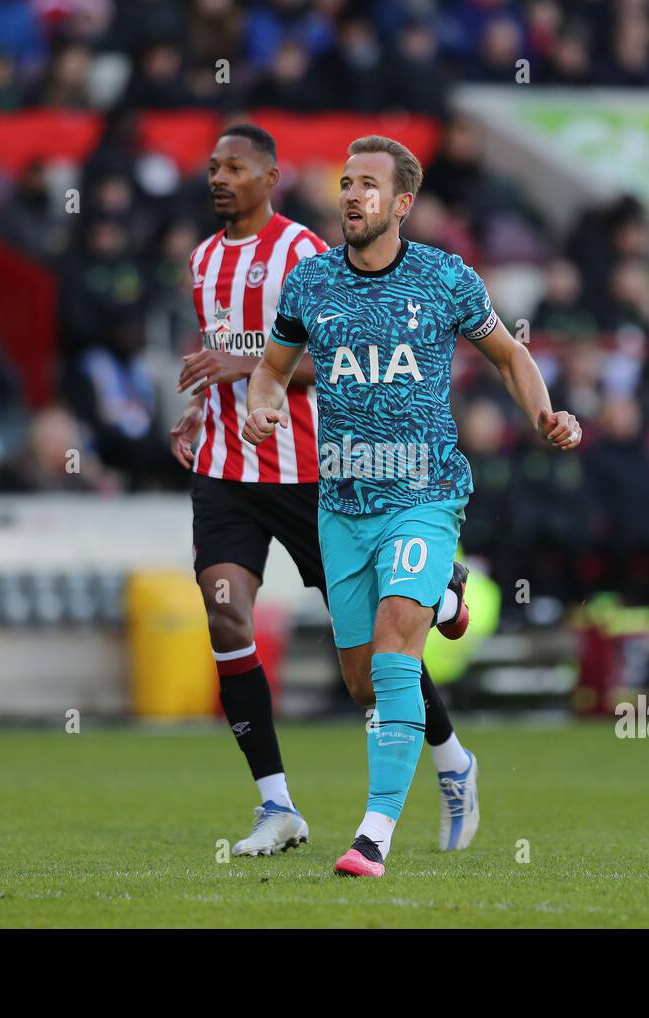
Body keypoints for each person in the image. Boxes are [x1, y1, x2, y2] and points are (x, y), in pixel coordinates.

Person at [243, 135, 581, 877]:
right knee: (363, 680)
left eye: (368, 184)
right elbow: (271, 371)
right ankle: (455, 755)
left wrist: (544, 414)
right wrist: (259, 407)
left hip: (425, 496)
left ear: (402, 203)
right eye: (345, 182)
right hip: (343, 505)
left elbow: (509, 355)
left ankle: (373, 835)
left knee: (398, 654)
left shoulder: (444, 279)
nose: (352, 195)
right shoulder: (310, 284)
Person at [168, 125, 474, 860]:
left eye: (233, 167)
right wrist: (204, 404)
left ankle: (449, 753)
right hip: (226, 468)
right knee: (226, 619)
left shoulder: (307, 255)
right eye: (212, 168)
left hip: (315, 471)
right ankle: (276, 803)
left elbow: (319, 366)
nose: (218, 178)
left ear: (270, 177)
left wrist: (242, 368)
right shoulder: (202, 260)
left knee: (376, 659)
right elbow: (236, 365)